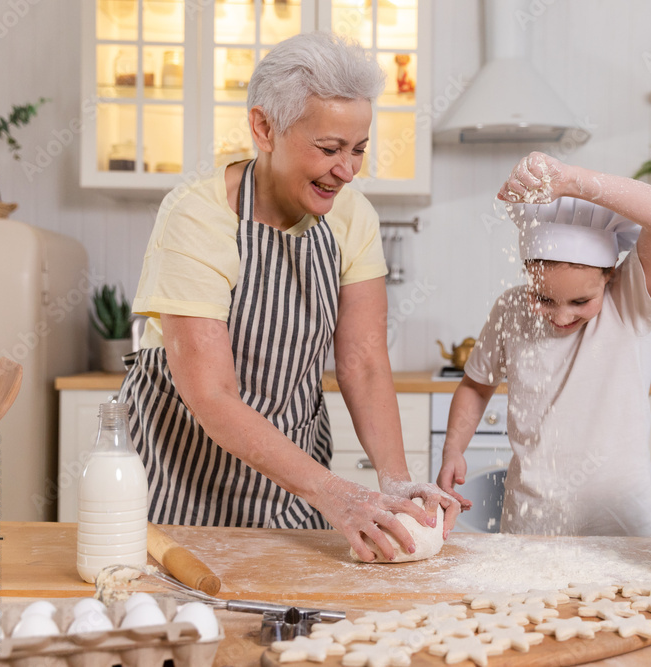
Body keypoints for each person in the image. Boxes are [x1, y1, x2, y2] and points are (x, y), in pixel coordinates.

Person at [119, 32, 458, 562]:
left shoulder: (351, 217)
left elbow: (364, 362)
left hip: (294, 490)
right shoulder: (197, 217)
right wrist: (337, 494)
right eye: (328, 149)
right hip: (182, 480)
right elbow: (211, 394)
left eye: (358, 150)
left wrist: (395, 481)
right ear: (264, 128)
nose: (346, 171)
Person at [436, 152, 651, 536]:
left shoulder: (629, 300)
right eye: (545, 298)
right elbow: (475, 386)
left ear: (608, 275)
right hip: (531, 520)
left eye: (580, 302)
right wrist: (454, 449)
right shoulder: (511, 309)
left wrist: (573, 181)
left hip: (620, 525)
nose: (562, 316)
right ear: (527, 273)